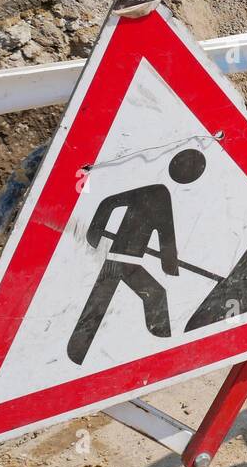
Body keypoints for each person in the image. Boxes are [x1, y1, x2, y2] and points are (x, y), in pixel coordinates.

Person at [66, 149, 206, 365]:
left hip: (122, 260)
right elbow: (165, 234)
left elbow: (111, 204)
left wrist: (95, 232)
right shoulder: (160, 194)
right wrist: (169, 265)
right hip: (123, 260)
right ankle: (162, 354)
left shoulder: (157, 192)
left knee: (103, 300)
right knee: (153, 295)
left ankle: (75, 353)